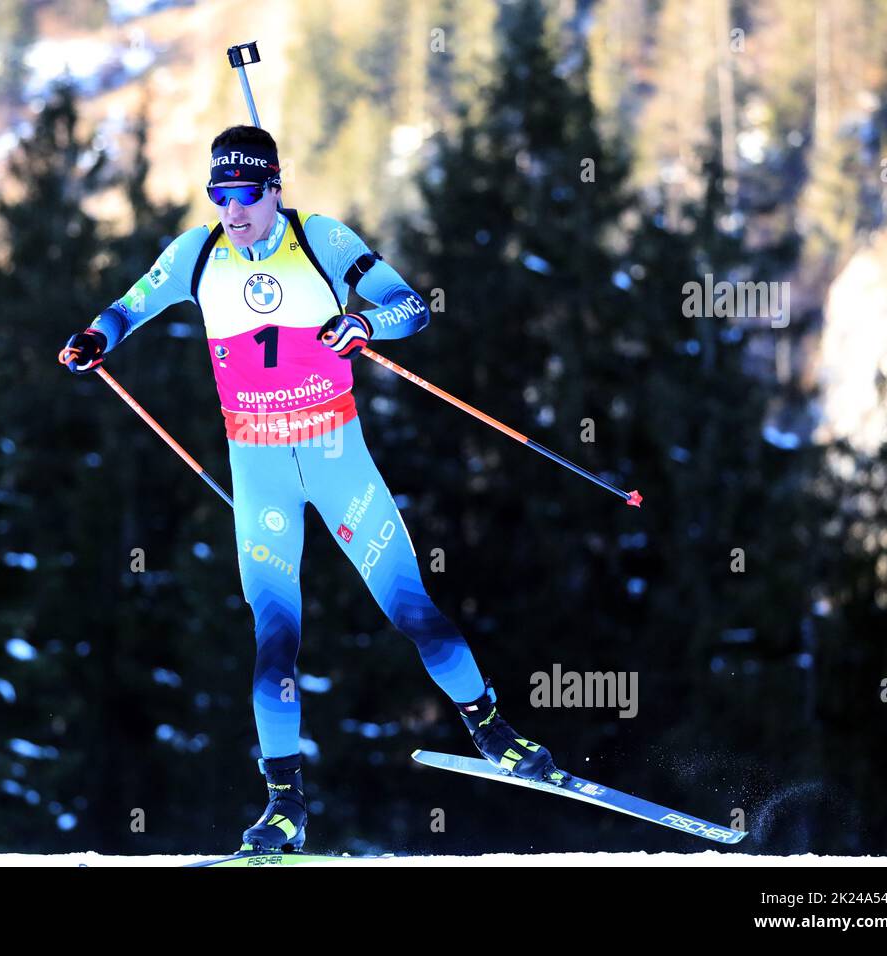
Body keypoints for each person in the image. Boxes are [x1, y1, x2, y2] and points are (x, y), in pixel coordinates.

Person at [64, 125, 564, 853]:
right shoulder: (196, 254)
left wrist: (363, 321)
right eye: (217, 194)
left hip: (337, 457)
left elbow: (412, 308)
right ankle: (285, 806)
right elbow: (128, 306)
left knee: (413, 611)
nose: (230, 211)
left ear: (273, 187)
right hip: (258, 468)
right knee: (274, 645)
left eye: (242, 194)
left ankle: (493, 731)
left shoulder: (320, 237)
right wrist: (95, 337)